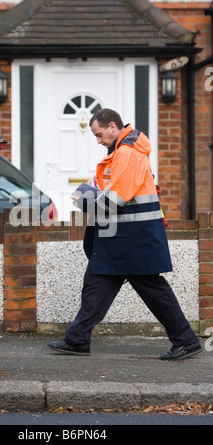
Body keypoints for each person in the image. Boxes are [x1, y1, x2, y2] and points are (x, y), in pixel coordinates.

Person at [48, 108, 202, 360]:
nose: (98, 141)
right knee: (96, 285)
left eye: (99, 135)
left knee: (153, 291)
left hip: (131, 239)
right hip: (124, 238)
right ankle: (77, 339)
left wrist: (83, 198)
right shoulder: (121, 152)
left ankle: (185, 340)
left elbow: (115, 200)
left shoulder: (127, 154)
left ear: (112, 126)